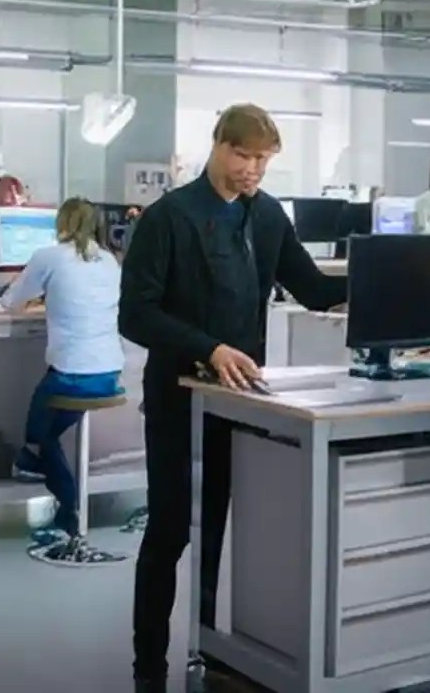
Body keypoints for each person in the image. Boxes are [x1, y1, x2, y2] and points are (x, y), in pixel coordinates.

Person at [120, 103, 348, 692]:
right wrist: (209, 347)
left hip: (244, 402)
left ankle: (213, 647)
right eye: (243, 155)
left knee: (225, 529)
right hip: (180, 396)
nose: (252, 170)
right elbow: (136, 314)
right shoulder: (169, 217)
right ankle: (149, 665)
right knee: (171, 531)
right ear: (218, 145)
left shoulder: (267, 216)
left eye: (263, 160)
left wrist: (383, 284)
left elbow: (315, 290)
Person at [4, 198, 125, 564]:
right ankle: (59, 501)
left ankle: (67, 509)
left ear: (61, 223)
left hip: (71, 376)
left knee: (41, 436)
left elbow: (11, 302)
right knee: (49, 433)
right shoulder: (109, 260)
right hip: (108, 374)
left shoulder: (49, 256)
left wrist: (33, 298)